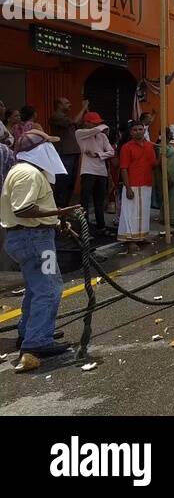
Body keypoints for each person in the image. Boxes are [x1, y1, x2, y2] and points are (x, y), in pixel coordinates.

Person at [2, 134, 79, 361]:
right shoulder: (29, 174)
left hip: (31, 236)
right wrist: (59, 214)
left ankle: (31, 331)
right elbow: (23, 210)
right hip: (35, 240)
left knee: (36, 288)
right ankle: (38, 340)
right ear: (40, 150)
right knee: (49, 288)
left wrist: (55, 223)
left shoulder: (24, 171)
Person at [118, 121, 157, 253]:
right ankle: (130, 240)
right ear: (131, 132)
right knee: (130, 213)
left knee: (144, 213)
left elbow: (153, 164)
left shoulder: (149, 146)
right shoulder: (126, 147)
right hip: (132, 185)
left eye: (140, 129)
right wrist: (127, 187)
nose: (138, 132)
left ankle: (141, 236)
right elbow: (123, 168)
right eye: (135, 130)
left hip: (146, 183)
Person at [74, 112, 115, 236]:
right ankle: (84, 230)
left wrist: (98, 154)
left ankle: (101, 227)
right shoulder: (80, 133)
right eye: (94, 122)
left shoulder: (102, 136)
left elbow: (112, 152)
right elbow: (101, 128)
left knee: (99, 201)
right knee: (84, 202)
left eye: (98, 122)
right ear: (86, 123)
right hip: (88, 171)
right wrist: (102, 127)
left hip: (101, 172)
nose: (98, 124)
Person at [49, 97, 87, 207]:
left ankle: (64, 209)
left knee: (70, 183)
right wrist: (84, 108)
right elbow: (75, 121)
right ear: (59, 105)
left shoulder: (65, 117)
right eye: (67, 103)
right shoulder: (56, 116)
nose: (70, 104)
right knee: (63, 183)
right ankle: (59, 209)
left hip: (72, 152)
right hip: (64, 153)